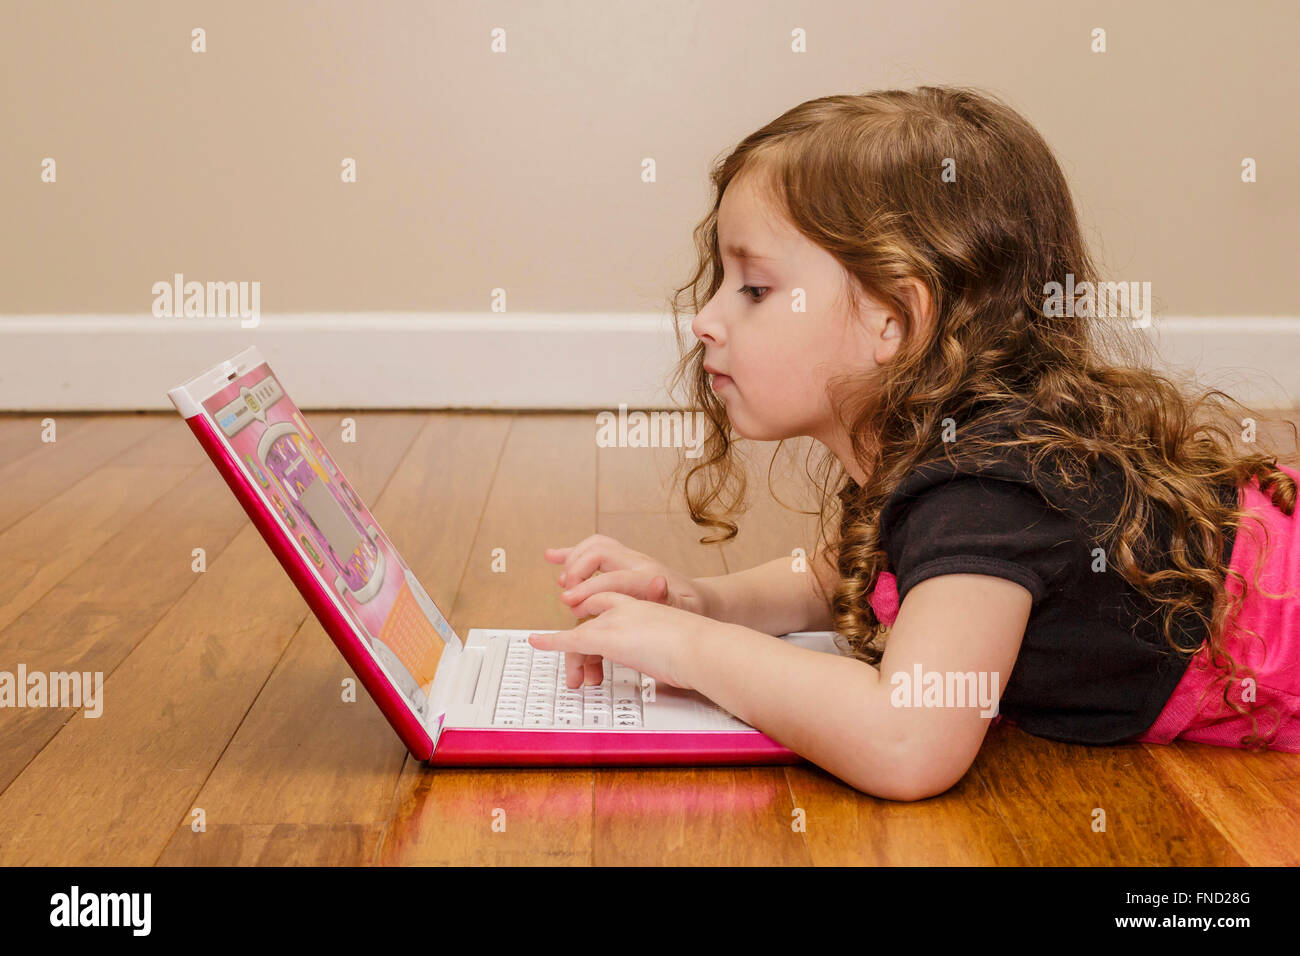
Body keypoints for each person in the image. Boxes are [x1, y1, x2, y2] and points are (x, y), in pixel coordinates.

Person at [528, 87, 1300, 801]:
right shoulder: (948, 452)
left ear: (893, 319)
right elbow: (847, 572)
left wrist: (688, 647)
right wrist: (705, 600)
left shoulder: (987, 491)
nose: (705, 317)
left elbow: (908, 739)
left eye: (754, 289)